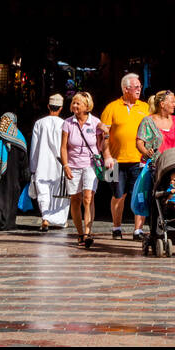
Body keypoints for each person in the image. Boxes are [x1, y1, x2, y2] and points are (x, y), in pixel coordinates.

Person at [100, 73, 151, 239]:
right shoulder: (111, 108)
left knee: (140, 194)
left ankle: (138, 230)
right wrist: (106, 156)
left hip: (140, 160)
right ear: (125, 88)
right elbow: (102, 135)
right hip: (113, 161)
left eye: (140, 86)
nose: (139, 89)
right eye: (135, 87)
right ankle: (116, 228)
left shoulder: (145, 108)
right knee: (117, 195)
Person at [61, 92, 110, 249]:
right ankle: (80, 233)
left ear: (87, 106)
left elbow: (101, 146)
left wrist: (106, 134)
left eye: (78, 103)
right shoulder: (67, 123)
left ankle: (88, 233)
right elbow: (63, 147)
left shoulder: (95, 123)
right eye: (74, 103)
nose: (75, 106)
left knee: (88, 197)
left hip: (90, 164)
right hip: (73, 165)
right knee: (75, 199)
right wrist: (65, 165)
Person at [29, 95, 71, 232]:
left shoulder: (39, 123)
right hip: (60, 165)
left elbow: (34, 148)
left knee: (43, 193)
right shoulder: (65, 124)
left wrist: (33, 167)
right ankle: (60, 220)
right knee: (60, 194)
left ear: (48, 106)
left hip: (42, 163)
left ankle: (45, 218)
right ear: (61, 108)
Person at [137, 90, 175, 165]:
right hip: (150, 166)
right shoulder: (147, 121)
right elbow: (139, 142)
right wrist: (146, 152)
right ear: (162, 104)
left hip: (169, 164)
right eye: (172, 102)